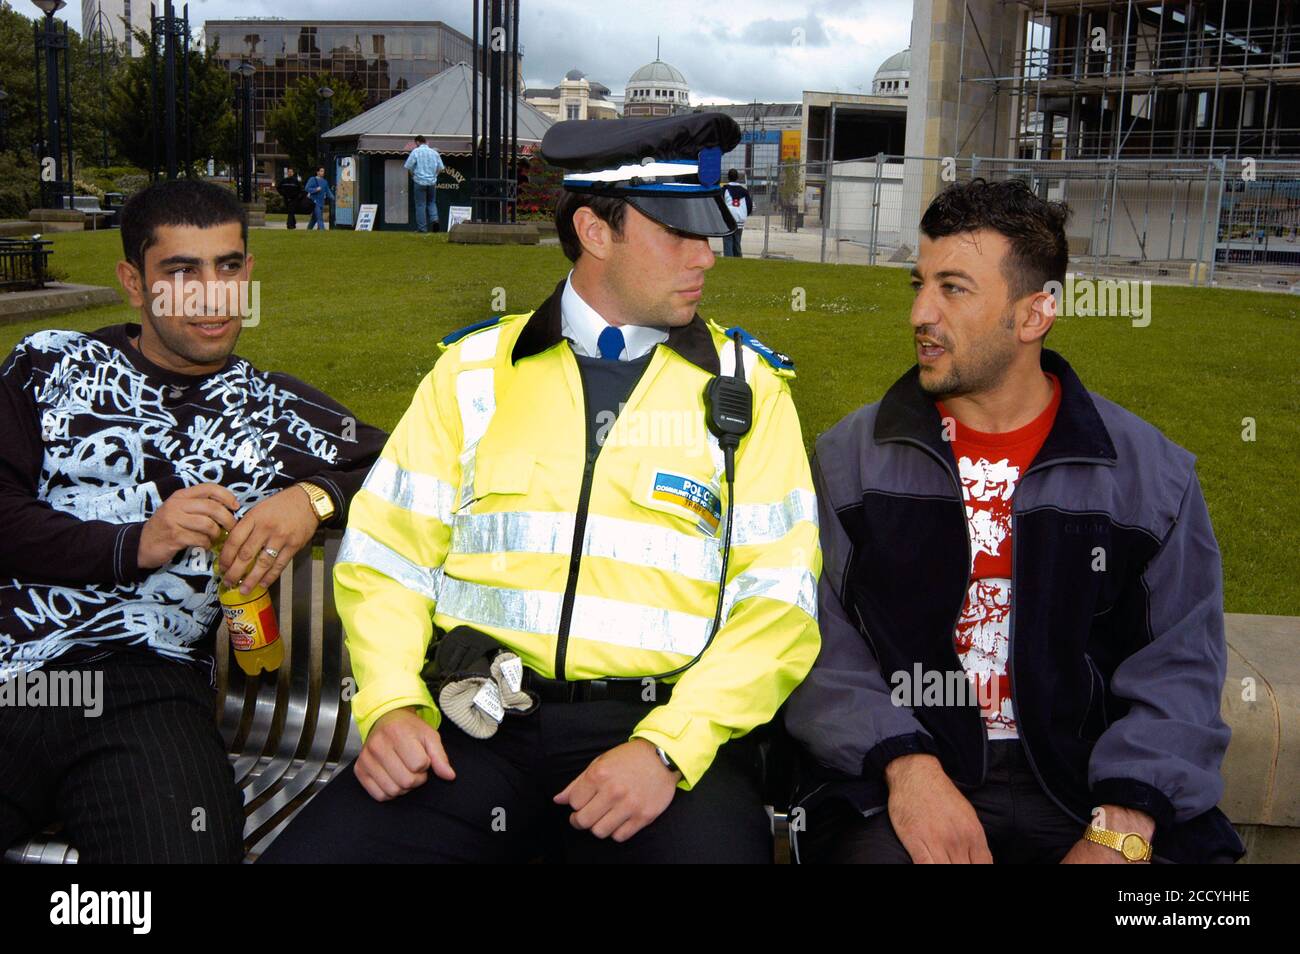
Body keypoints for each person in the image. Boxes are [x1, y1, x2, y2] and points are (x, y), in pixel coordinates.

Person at [259, 113, 821, 864]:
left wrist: (668, 748)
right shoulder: (470, 373)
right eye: (680, 234)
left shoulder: (749, 391)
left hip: (661, 736)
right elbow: (388, 556)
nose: (706, 258)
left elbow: (779, 602)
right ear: (595, 230)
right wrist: (392, 703)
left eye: (709, 233)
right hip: (476, 723)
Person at [784, 178, 1244, 865]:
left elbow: (1181, 664)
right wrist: (904, 763)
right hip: (907, 775)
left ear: (1034, 315)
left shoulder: (1150, 475)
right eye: (920, 283)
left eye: (953, 289)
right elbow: (814, 638)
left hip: (1087, 785)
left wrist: (1124, 821)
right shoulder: (849, 460)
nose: (919, 312)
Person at [0, 179, 386, 863]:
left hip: (147, 689)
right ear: (132, 281)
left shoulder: (272, 410)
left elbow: (419, 463)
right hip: (16, 674)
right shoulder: (50, 366)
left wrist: (315, 497)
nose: (212, 294)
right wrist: (134, 543)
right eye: (181, 271)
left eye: (228, 266)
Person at [404, 134, 445, 233]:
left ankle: (422, 228)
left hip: (419, 182)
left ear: (417, 142)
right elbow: (441, 168)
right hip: (431, 182)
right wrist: (434, 176)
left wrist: (413, 176)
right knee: (432, 202)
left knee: (420, 205)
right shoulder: (434, 152)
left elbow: (408, 166)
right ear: (425, 141)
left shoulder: (416, 151)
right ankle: (435, 220)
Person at [721, 169, 752, 258]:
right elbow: (749, 206)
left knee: (728, 242)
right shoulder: (744, 191)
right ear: (737, 178)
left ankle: (729, 260)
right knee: (737, 242)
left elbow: (720, 204)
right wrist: (744, 215)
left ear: (728, 178)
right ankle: (738, 259)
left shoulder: (724, 190)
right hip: (740, 220)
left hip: (728, 220)